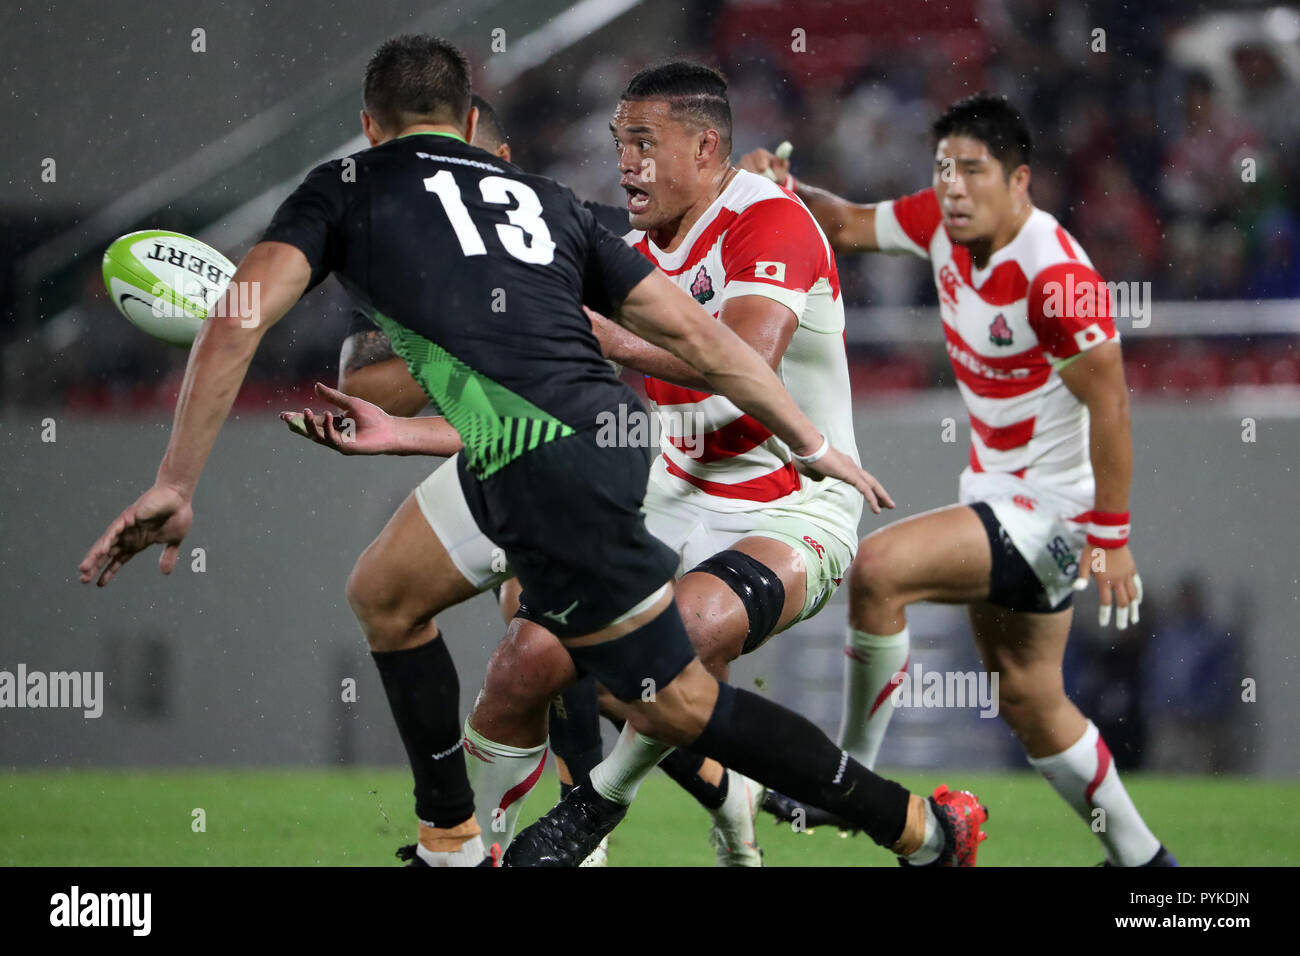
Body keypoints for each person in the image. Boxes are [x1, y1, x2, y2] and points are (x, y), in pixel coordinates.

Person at [77, 35, 986, 869]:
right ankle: (457, 842)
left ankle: (891, 827)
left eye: (645, 143)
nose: (625, 162)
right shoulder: (568, 215)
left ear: (366, 127)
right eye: (618, 141)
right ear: (473, 128)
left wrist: (177, 478)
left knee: (661, 687)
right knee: (409, 606)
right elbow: (532, 377)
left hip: (771, 500)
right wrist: (416, 418)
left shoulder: (755, 218)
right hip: (602, 463)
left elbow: (724, 360)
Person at [325, 90, 760, 867]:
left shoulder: (550, 229)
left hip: (587, 463)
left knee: (565, 658)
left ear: (496, 166)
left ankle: (548, 834)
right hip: (494, 463)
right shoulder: (413, 258)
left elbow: (694, 342)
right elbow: (363, 384)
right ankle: (698, 792)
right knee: (549, 659)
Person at [740, 92, 1173, 866]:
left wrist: (1112, 537)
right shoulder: (937, 222)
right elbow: (842, 224)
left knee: (879, 570)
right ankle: (1149, 866)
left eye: (973, 170)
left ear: (1020, 181)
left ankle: (849, 778)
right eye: (943, 170)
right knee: (1033, 702)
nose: (954, 187)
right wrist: (785, 191)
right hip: (997, 494)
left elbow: (1111, 404)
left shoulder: (1056, 275)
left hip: (1052, 513)